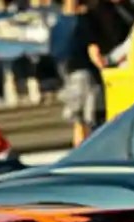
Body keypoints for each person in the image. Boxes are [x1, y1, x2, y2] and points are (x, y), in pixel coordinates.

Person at [53, 0, 104, 146]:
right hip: (85, 75)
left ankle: (79, 152)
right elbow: (94, 51)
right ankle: (88, 152)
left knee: (78, 120)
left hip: (68, 74)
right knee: (90, 119)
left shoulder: (58, 24)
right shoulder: (82, 22)